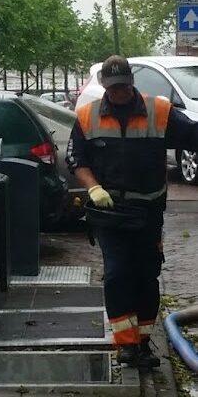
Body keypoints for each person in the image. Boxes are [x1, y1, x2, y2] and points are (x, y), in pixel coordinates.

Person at [67, 55, 198, 368]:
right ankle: (125, 345)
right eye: (113, 88)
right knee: (117, 274)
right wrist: (93, 187)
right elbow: (76, 159)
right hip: (109, 212)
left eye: (124, 86)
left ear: (132, 83)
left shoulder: (160, 111)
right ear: (104, 87)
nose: (119, 93)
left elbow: (193, 135)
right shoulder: (87, 116)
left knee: (146, 276)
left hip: (148, 212)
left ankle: (142, 341)